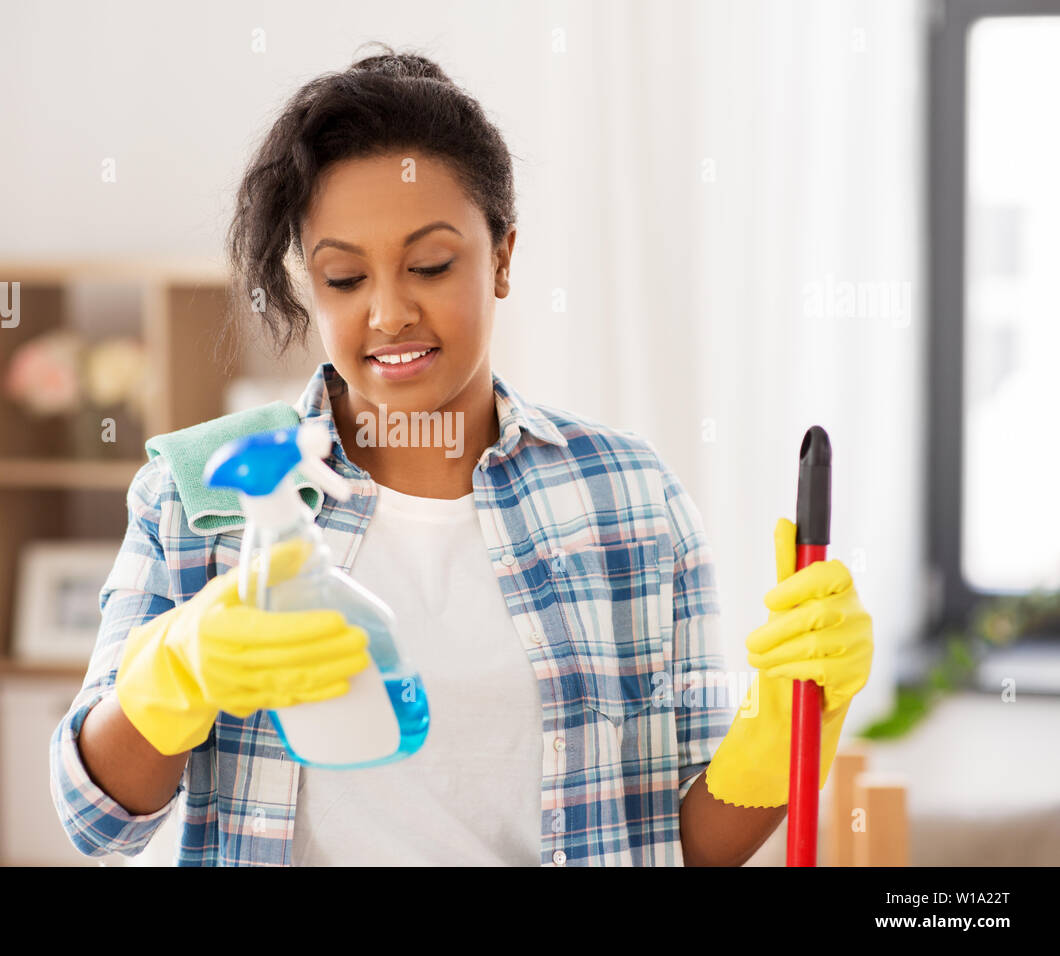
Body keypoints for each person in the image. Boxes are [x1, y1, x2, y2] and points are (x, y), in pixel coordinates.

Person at [49, 44, 873, 867]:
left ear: (503, 258)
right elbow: (97, 820)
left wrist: (779, 731)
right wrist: (170, 679)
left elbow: (682, 848)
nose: (389, 312)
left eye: (431, 265)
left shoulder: (627, 496)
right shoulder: (205, 490)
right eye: (343, 279)